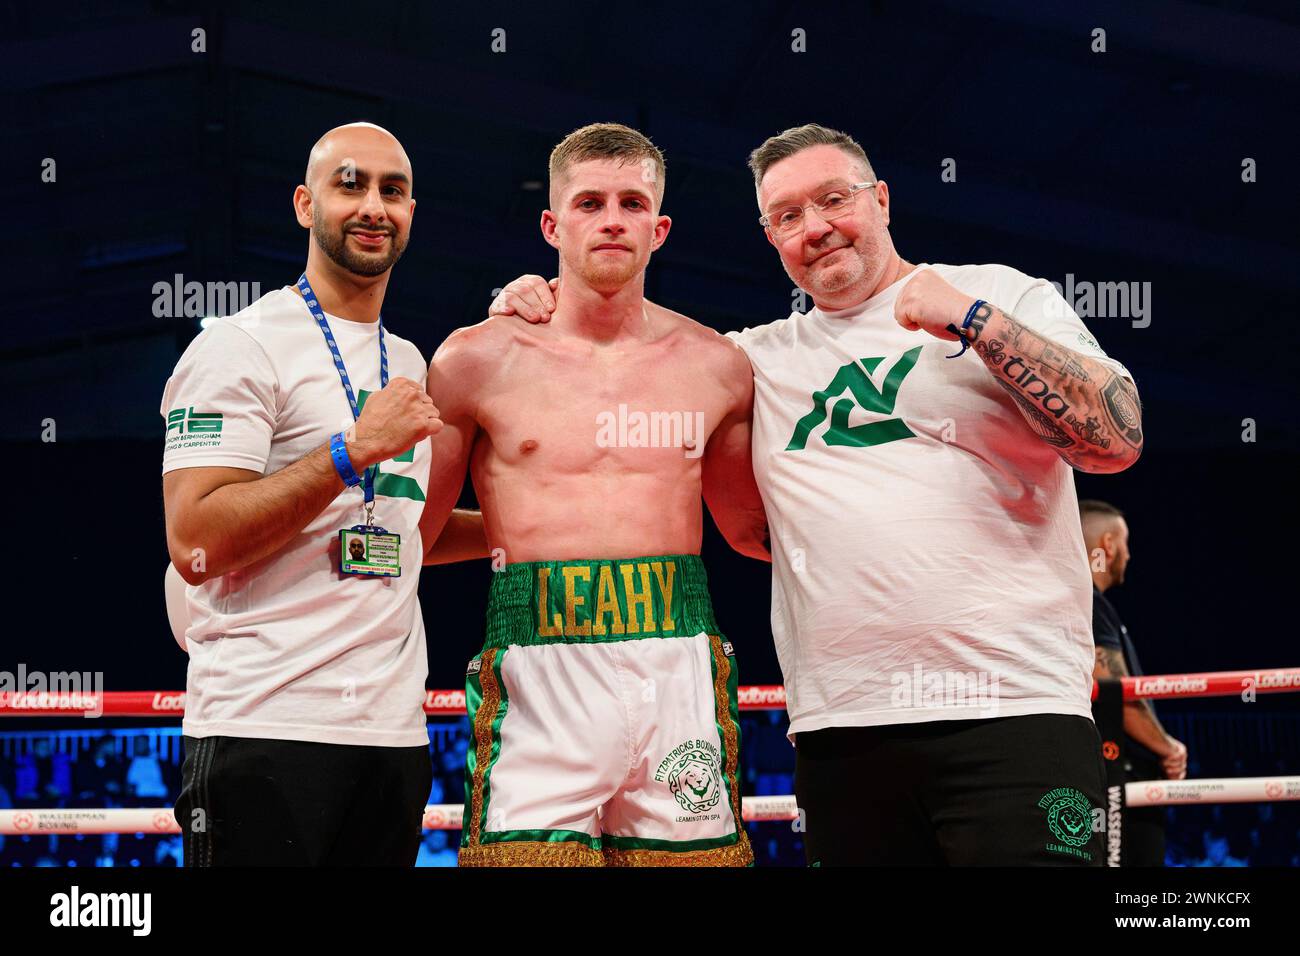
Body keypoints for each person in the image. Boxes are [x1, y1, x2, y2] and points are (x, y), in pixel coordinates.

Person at [491, 123, 1143, 865]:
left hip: (1014, 712)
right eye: (789, 216)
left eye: (835, 199)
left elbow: (1115, 441)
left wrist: (973, 321)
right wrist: (541, 294)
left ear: (882, 200)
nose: (818, 228)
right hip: (842, 732)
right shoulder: (748, 359)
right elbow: (634, 370)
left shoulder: (998, 291)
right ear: (771, 236)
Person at [422, 123, 767, 866]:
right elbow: (410, 535)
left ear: (659, 226)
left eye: (632, 203)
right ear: (552, 224)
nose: (612, 218)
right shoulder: (474, 359)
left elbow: (750, 531)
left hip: (678, 658)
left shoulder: (718, 366)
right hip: (536, 663)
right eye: (589, 202)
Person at [161, 122, 448, 865]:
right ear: (303, 203)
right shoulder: (239, 343)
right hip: (263, 728)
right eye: (349, 184)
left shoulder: (409, 359)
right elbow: (196, 541)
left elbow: (406, 528)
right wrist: (351, 450)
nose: (374, 206)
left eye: (394, 190)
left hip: (391, 737)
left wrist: (540, 529)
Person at [1083, 498, 1186, 866]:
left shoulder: (1092, 604)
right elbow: (1116, 693)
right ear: (1109, 544)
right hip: (1118, 776)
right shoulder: (1087, 602)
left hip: (1114, 772)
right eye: (1125, 543)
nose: (1129, 554)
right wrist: (1167, 747)